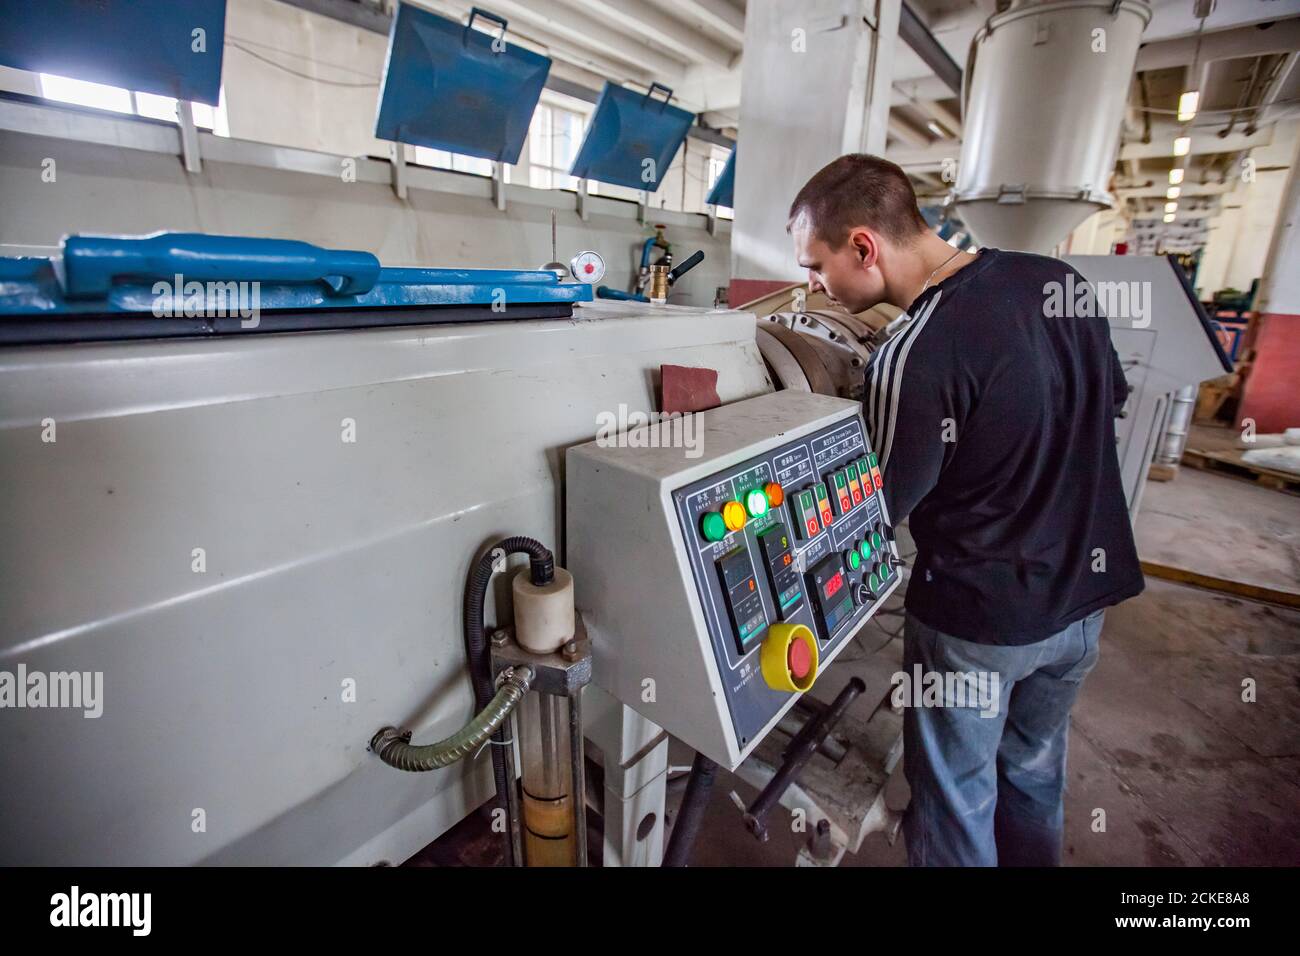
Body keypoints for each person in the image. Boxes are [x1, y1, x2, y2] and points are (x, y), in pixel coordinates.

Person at [787, 153, 1144, 866]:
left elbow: (876, 508)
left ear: (865, 246)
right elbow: (1110, 399)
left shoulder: (913, 352)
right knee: (1033, 770)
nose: (812, 286)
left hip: (983, 621)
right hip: (1085, 600)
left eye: (816, 265)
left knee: (956, 800)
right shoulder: (1054, 280)